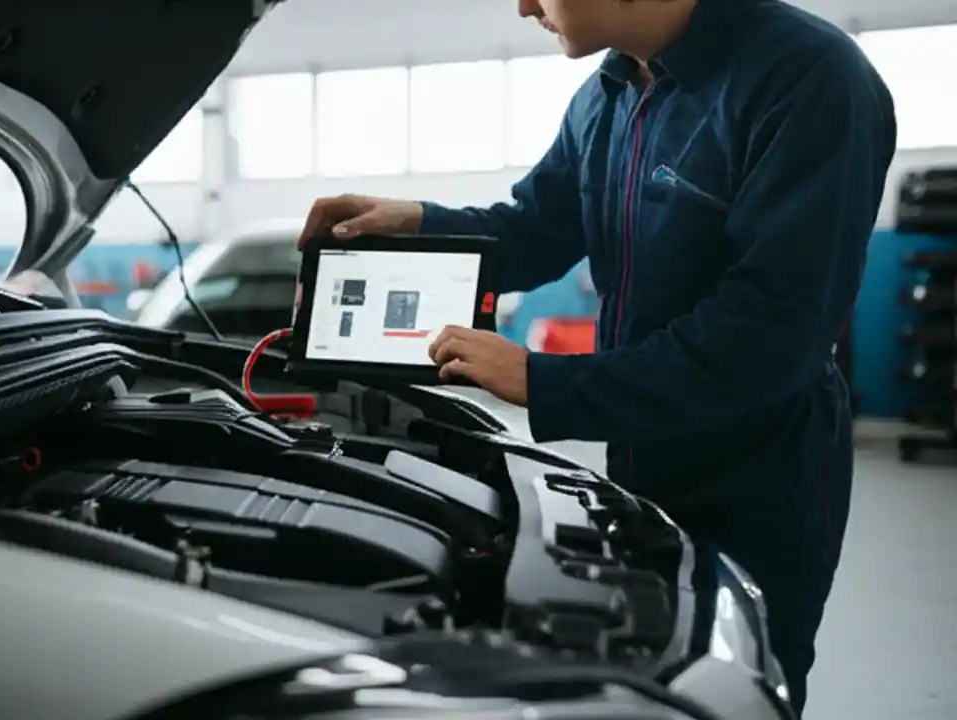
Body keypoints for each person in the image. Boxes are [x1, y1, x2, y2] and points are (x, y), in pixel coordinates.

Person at [296, 0, 896, 714]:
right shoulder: (606, 95)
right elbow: (534, 229)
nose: (523, 6)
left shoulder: (809, 79)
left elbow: (768, 338)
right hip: (642, 464)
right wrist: (416, 222)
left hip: (763, 479)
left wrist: (544, 381)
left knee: (734, 695)